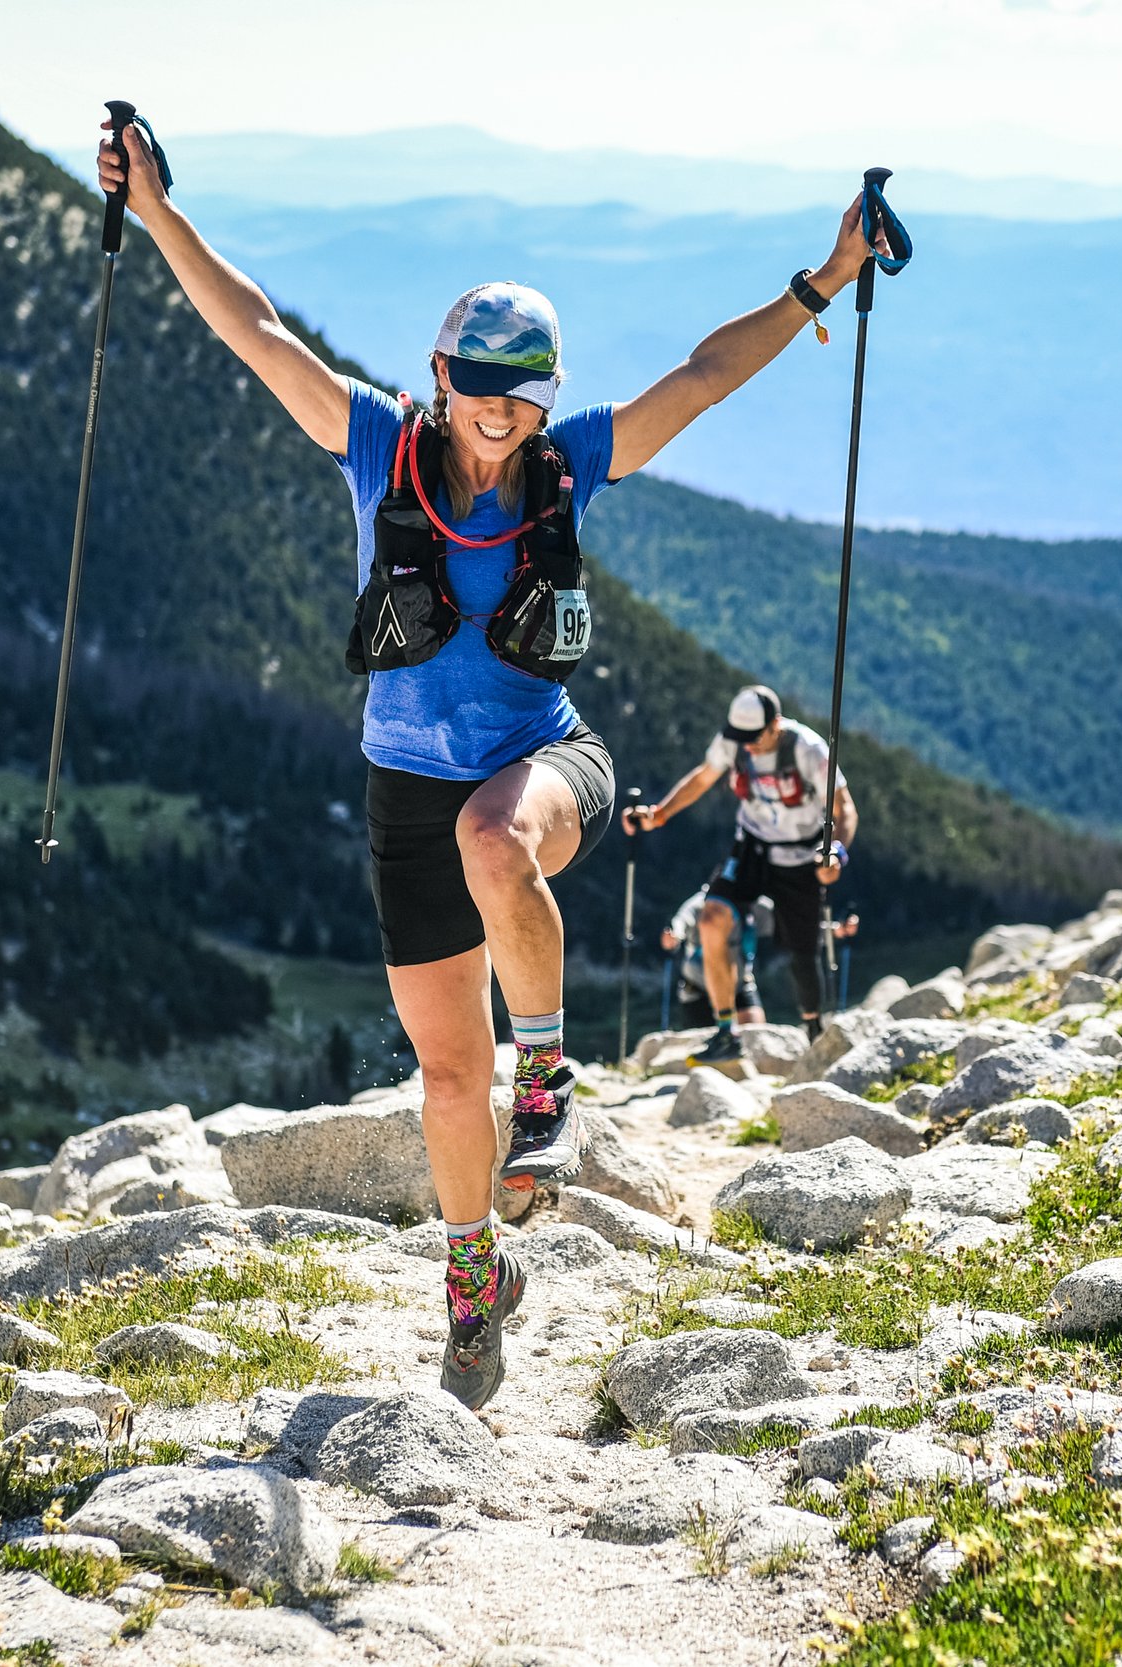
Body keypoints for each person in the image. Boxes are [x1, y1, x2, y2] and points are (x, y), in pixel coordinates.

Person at [96, 121, 884, 1410]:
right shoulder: (376, 445)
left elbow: (698, 375)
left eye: (525, 389)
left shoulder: (568, 463)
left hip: (543, 760)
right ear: (442, 373)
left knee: (494, 847)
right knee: (449, 1077)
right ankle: (475, 1286)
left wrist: (823, 278)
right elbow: (258, 335)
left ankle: (557, 1078)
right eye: (482, 383)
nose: (503, 410)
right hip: (401, 790)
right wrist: (163, 215)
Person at [621, 685, 857, 1060]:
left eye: (755, 738)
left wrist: (836, 853)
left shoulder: (809, 750)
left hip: (800, 856)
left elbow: (844, 808)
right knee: (712, 917)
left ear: (775, 725)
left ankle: (813, 1027)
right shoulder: (735, 741)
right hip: (751, 848)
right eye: (741, 738)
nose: (747, 746)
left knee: (803, 953)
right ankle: (726, 1031)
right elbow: (703, 777)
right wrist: (660, 813)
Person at [660, 886, 770, 1027]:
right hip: (698, 990)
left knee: (755, 1031)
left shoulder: (755, 904)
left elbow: (779, 917)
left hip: (740, 985)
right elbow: (681, 920)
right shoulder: (700, 904)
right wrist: (674, 934)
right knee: (703, 1042)